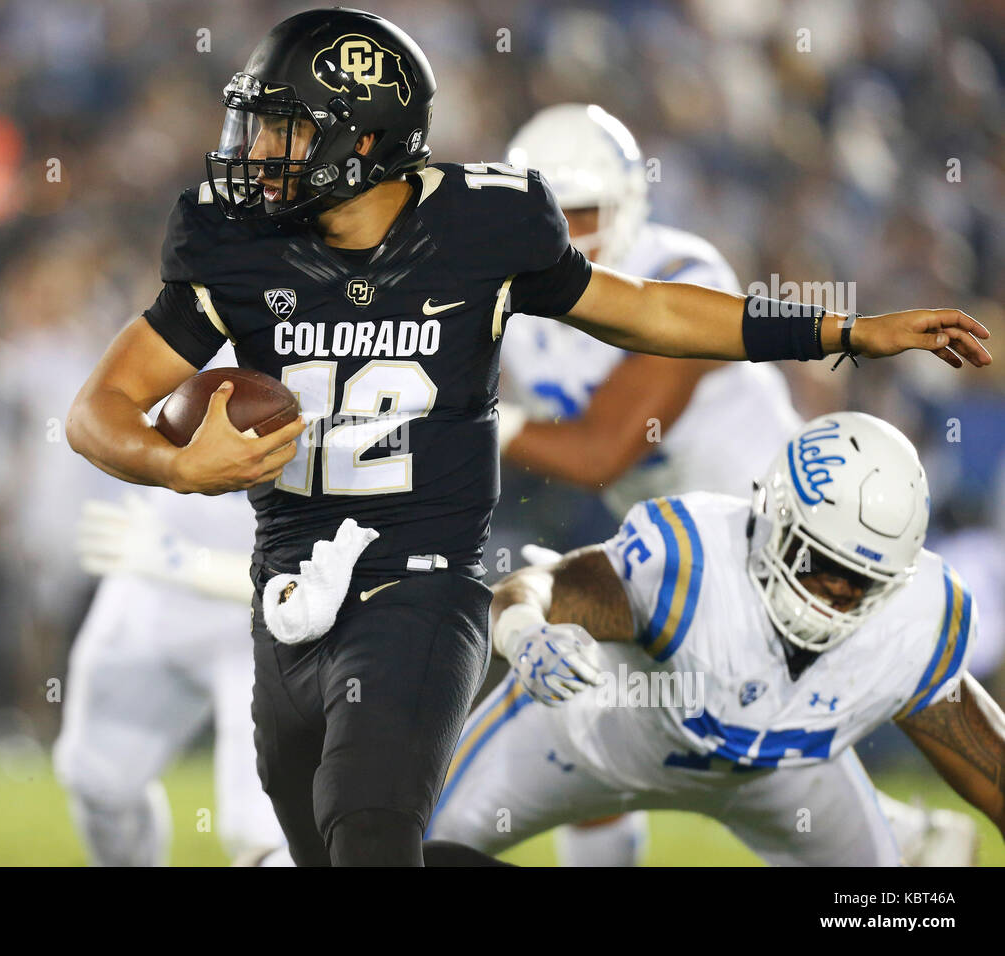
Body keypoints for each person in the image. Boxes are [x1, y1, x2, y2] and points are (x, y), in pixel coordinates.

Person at [66, 9, 989, 866]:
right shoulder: (233, 241)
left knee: (376, 830)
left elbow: (648, 314)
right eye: (258, 123)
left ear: (364, 140)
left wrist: (842, 331)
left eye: (287, 128)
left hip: (426, 585)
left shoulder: (484, 226)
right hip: (294, 593)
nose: (258, 149)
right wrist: (173, 462)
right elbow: (98, 408)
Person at [497, 103, 975, 866]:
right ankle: (906, 841)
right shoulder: (515, 300)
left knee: (761, 748)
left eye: (582, 209)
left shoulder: (682, 274)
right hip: (665, 548)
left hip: (771, 544)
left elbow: (599, 452)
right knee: (589, 706)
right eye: (545, 209)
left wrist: (464, 418)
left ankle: (900, 851)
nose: (564, 231)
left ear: (628, 202)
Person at [427, 413, 1005, 865]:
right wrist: (526, 633)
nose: (834, 591)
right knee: (396, 851)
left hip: (778, 774)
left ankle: (912, 841)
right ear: (774, 520)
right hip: (584, 735)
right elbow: (541, 587)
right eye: (816, 562)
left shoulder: (918, 619)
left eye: (861, 582)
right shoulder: (691, 557)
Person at [54, 348, 286, 867]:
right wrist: (159, 462)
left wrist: (191, 562)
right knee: (99, 782)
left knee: (264, 834)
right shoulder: (197, 310)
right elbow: (92, 413)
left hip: (272, 616)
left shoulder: (369, 337)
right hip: (156, 581)